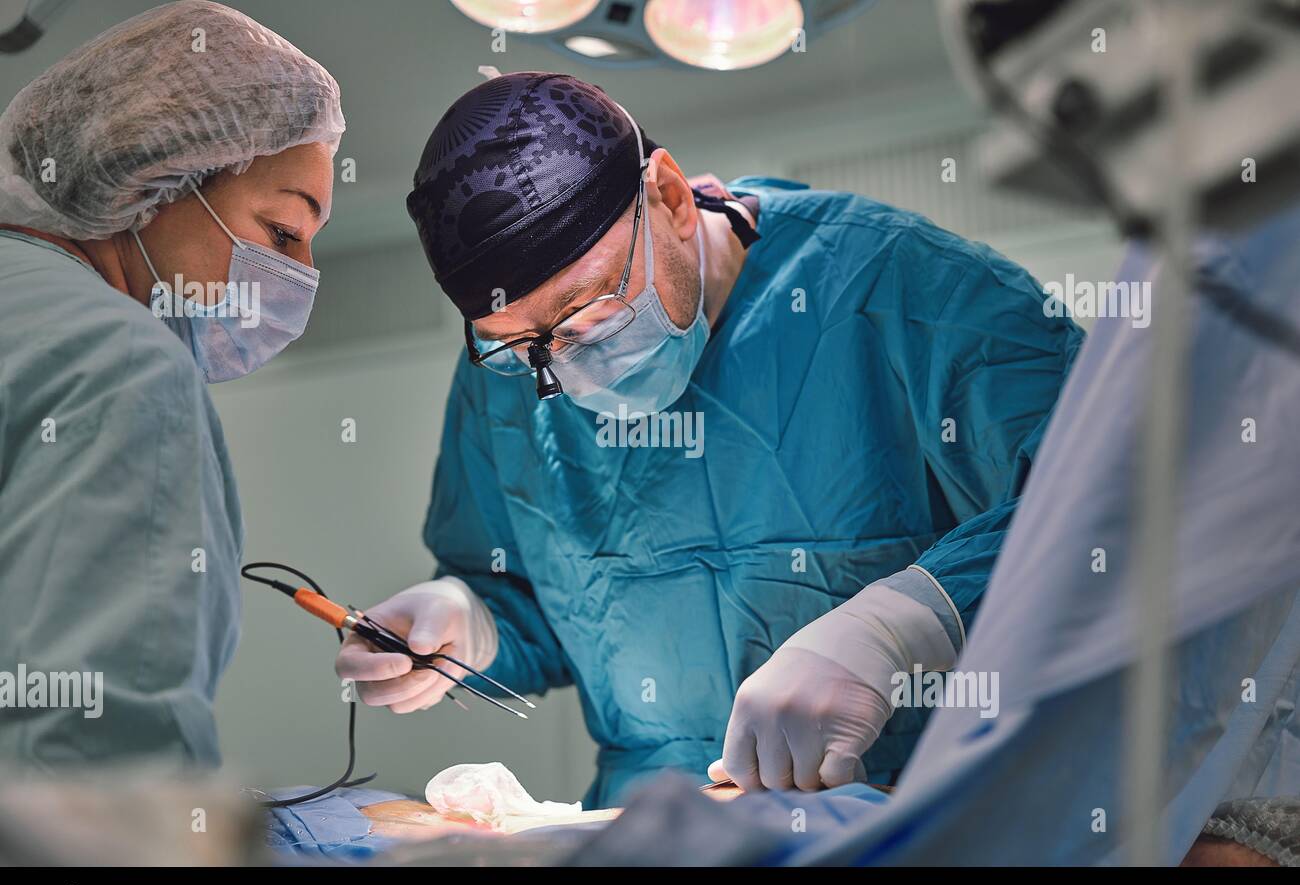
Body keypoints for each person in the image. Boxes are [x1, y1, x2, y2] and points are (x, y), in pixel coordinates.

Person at [336, 71, 1082, 808]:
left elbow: (1119, 487)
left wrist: (906, 626)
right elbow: (557, 601)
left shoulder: (896, 285)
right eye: (525, 343)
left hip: (915, 818)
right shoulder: (507, 375)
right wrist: (477, 618)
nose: (561, 363)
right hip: (660, 827)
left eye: (590, 314)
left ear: (667, 198)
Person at [0, 1, 344, 769]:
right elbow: (91, 758)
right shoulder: (117, 363)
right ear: (157, 172)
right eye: (283, 231)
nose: (301, 277)